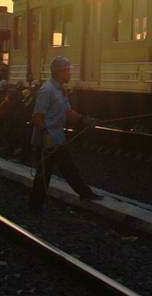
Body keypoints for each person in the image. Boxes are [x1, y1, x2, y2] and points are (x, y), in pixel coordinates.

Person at [28, 57, 99, 211]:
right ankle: (35, 206)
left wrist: (83, 119)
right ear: (60, 72)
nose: (70, 74)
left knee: (61, 170)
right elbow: (37, 117)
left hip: (56, 138)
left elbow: (67, 112)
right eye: (68, 70)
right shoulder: (47, 90)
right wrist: (45, 134)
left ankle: (35, 206)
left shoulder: (60, 90)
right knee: (51, 173)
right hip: (47, 140)